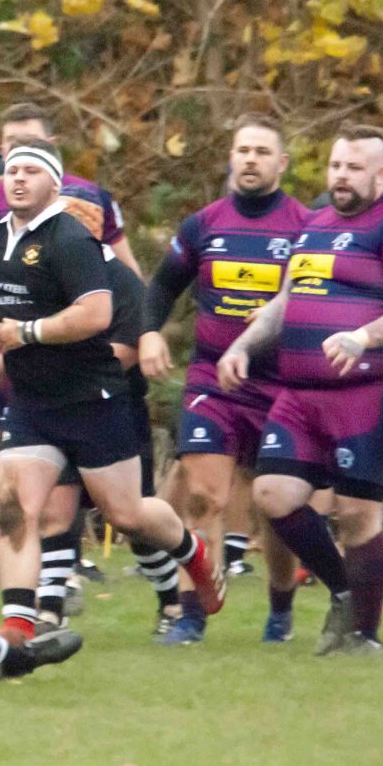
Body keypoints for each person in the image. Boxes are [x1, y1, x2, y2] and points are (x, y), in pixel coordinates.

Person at [0, 140, 224, 646]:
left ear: (54, 185)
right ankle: (18, 628)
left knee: (126, 515)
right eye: (11, 170)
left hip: (91, 400)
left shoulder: (70, 241)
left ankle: (191, 550)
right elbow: (0, 300)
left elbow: (95, 315)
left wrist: (29, 333)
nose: (17, 179)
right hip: (32, 402)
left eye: (31, 171)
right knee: (17, 507)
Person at [218, 123, 383, 655]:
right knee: (273, 493)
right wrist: (243, 345)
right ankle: (343, 590)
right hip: (299, 391)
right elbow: (286, 302)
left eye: (354, 168)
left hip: (371, 391)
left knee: (356, 511)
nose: (341, 177)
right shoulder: (314, 222)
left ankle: (363, 635)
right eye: (336, 166)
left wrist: (365, 337)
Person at [138, 113, 313, 645]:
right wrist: (150, 334)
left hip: (280, 386)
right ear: (231, 158)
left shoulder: (307, 225)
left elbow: (316, 304)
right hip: (212, 380)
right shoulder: (203, 224)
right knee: (201, 496)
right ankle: (192, 613)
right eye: (243, 151)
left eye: (262, 152)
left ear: (281, 163)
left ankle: (280, 605)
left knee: (274, 507)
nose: (251, 160)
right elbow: (162, 288)